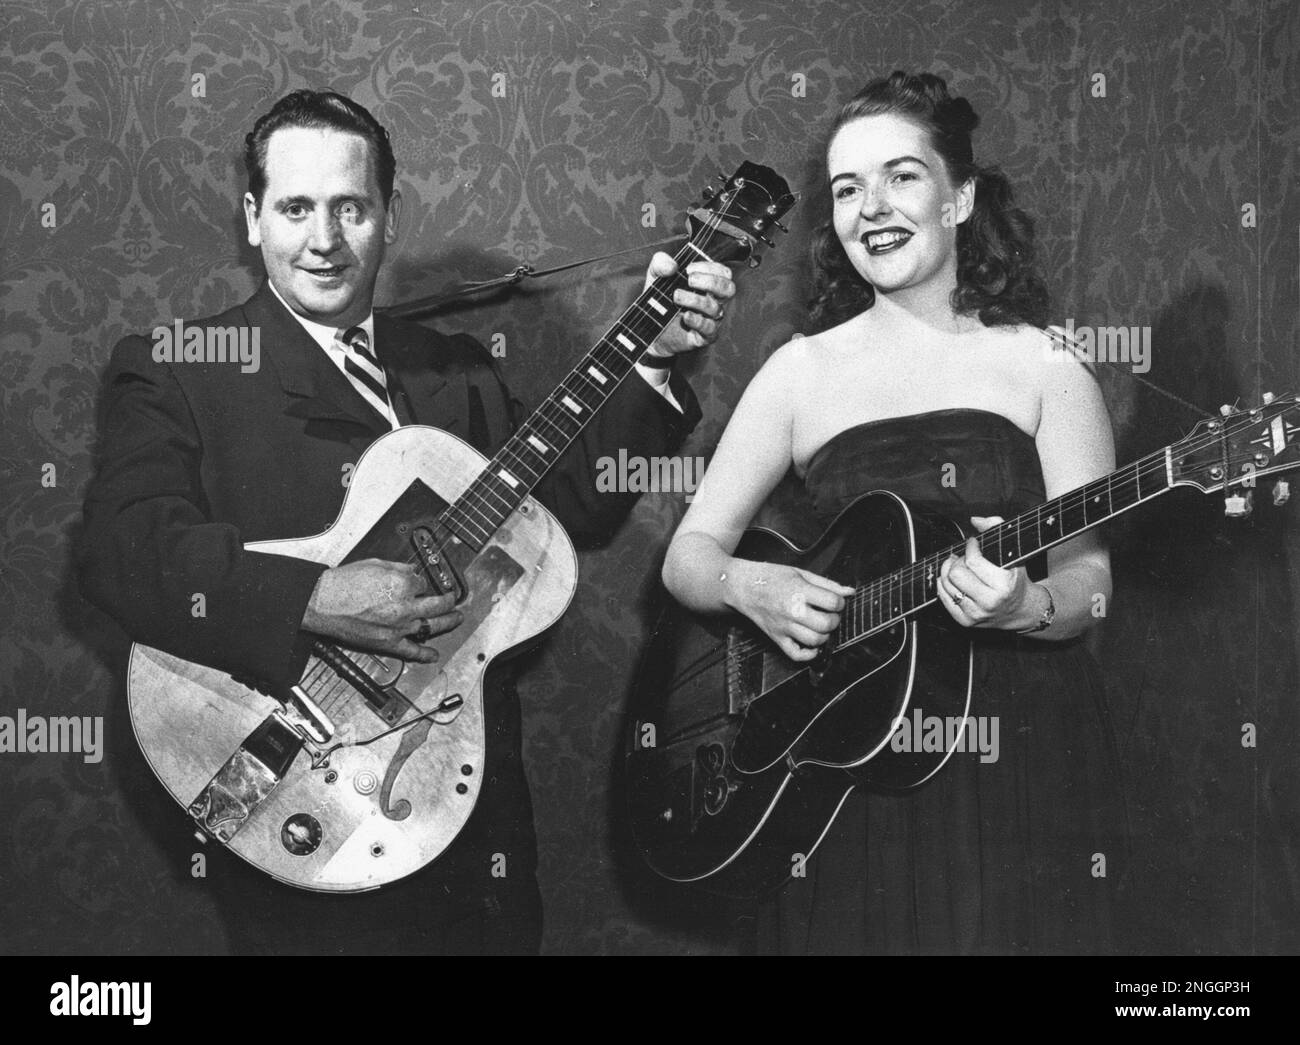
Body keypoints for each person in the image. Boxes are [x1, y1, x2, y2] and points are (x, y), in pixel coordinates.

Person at [77, 89, 735, 955]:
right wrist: (318, 596)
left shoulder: (452, 370)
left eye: (350, 207)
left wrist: (652, 359)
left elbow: (571, 504)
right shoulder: (180, 370)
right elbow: (125, 551)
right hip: (301, 793)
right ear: (252, 218)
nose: (323, 239)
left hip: (471, 811)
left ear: (390, 215)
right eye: (296, 208)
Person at [661, 71, 1127, 954]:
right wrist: (746, 584)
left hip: (1018, 757)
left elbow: (1089, 583)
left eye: (902, 175)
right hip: (846, 761)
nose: (871, 206)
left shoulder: (1046, 365)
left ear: (960, 199)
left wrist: (1025, 605)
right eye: (846, 188)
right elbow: (690, 556)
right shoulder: (800, 371)